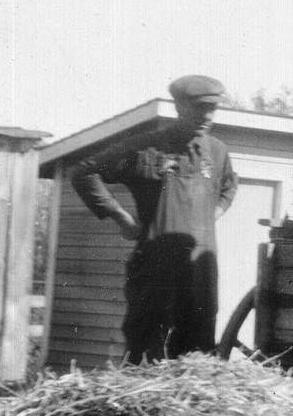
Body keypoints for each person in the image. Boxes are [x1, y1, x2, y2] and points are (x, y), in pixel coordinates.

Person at [73, 75, 238, 362]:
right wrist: (121, 217)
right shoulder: (145, 148)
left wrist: (211, 216)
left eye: (212, 108)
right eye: (199, 107)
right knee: (148, 348)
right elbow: (85, 172)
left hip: (200, 269)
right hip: (156, 269)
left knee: (197, 352)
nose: (207, 116)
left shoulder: (217, 151)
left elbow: (229, 186)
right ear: (179, 106)